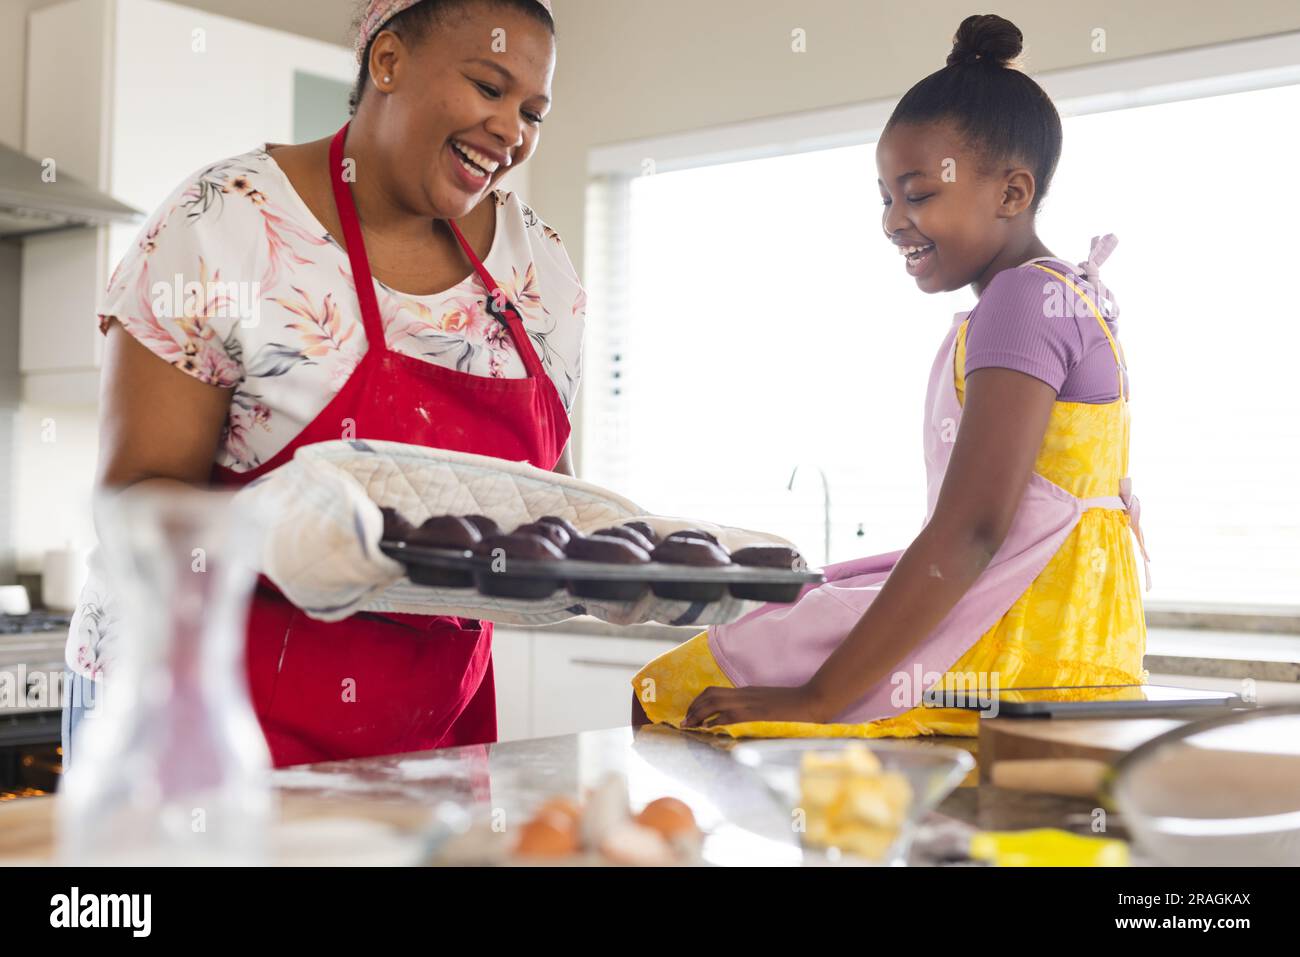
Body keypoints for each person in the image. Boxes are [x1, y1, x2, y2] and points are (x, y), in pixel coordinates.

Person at [63, 0, 585, 767]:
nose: (512, 129)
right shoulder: (228, 225)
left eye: (533, 110)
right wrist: (297, 533)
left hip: (433, 735)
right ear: (388, 61)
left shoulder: (537, 269)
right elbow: (134, 500)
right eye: (487, 87)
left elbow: (544, 504)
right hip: (203, 725)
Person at [632, 14, 1150, 738]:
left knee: (675, 684)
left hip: (1011, 642)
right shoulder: (1066, 292)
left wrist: (817, 697)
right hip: (1077, 646)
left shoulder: (1020, 300)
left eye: (918, 193)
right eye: (885, 196)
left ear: (1011, 193)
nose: (892, 222)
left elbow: (971, 530)